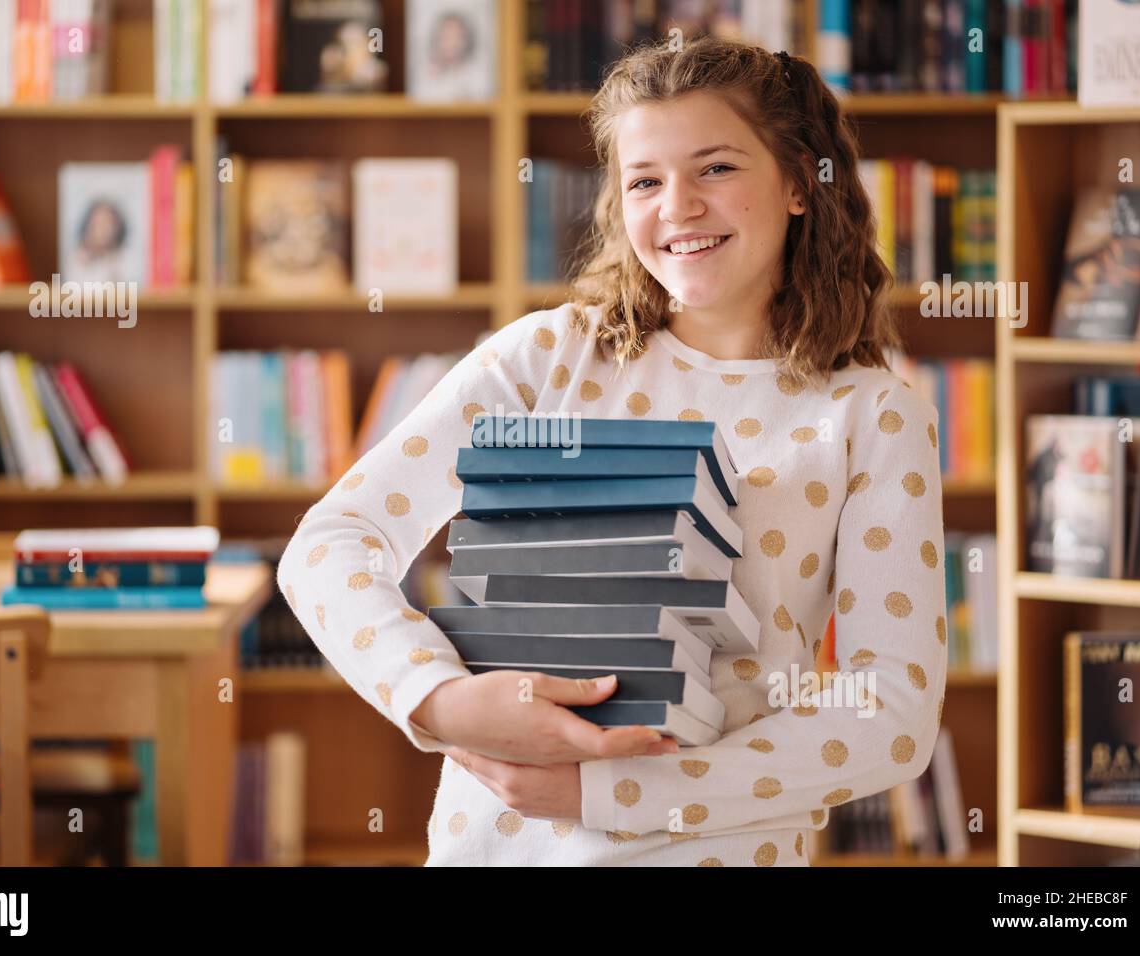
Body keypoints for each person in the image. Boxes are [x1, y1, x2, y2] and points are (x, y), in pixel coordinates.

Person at [277, 37, 947, 866]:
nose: (678, 207)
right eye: (645, 181)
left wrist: (609, 794)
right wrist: (440, 700)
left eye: (717, 169)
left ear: (800, 184)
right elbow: (329, 542)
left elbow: (892, 714)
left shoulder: (874, 417)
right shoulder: (543, 358)